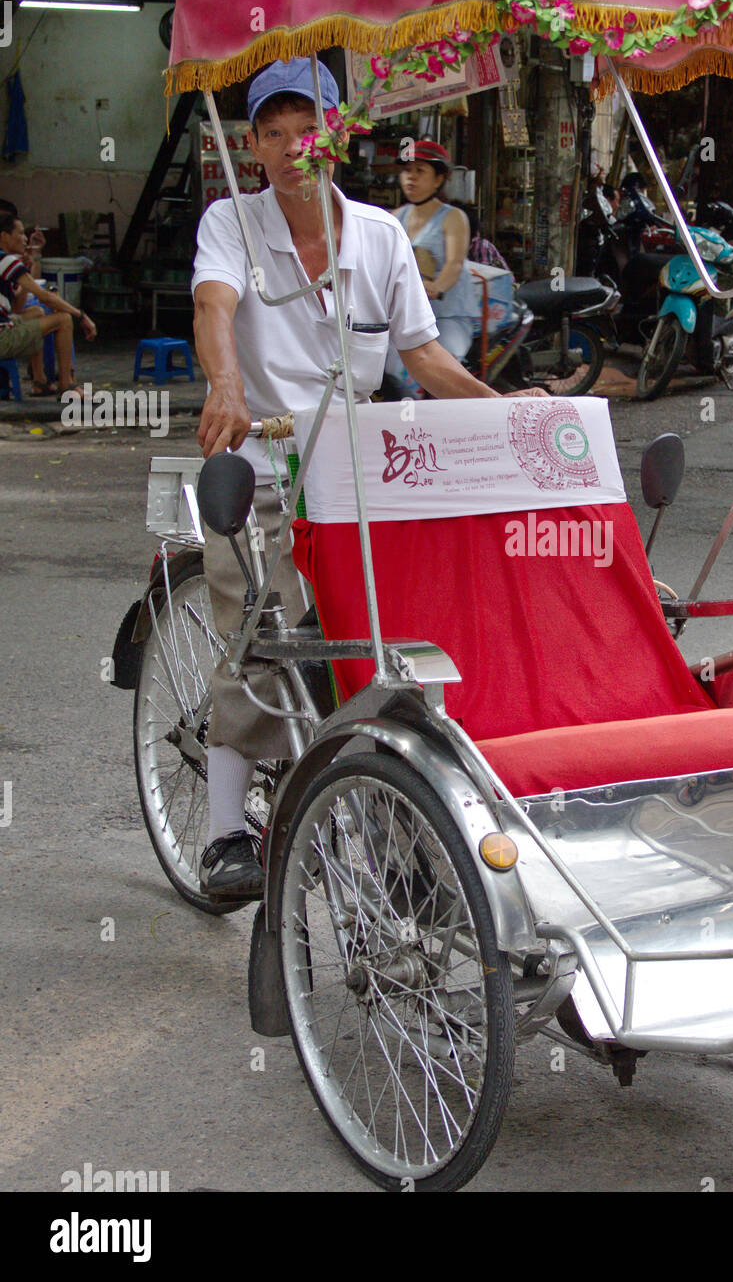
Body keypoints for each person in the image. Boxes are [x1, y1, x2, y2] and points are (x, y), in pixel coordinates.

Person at [191, 57, 544, 899]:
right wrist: (227, 386)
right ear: (253, 147)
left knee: (391, 632)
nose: (286, 150)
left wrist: (503, 412)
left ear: (337, 137)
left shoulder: (383, 235)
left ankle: (388, 800)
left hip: (359, 465)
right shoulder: (229, 223)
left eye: (303, 130)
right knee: (262, 627)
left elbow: (421, 356)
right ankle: (223, 833)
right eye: (269, 136)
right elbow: (214, 306)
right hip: (260, 456)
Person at [382, 140, 475, 398]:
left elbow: (455, 263)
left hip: (447, 314)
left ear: (438, 179)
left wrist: (436, 286)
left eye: (420, 171)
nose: (411, 177)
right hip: (407, 317)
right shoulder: (394, 217)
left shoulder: (454, 217)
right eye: (406, 171)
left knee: (447, 365)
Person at [0, 211, 94, 394]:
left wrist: (27, 267)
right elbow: (45, 296)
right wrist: (81, 315)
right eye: (19, 234)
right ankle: (67, 385)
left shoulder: (7, 263)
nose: (24, 239)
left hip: (4, 326)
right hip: (2, 338)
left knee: (37, 312)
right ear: (4, 236)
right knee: (64, 319)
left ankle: (40, 381)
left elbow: (17, 308)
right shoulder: (5, 260)